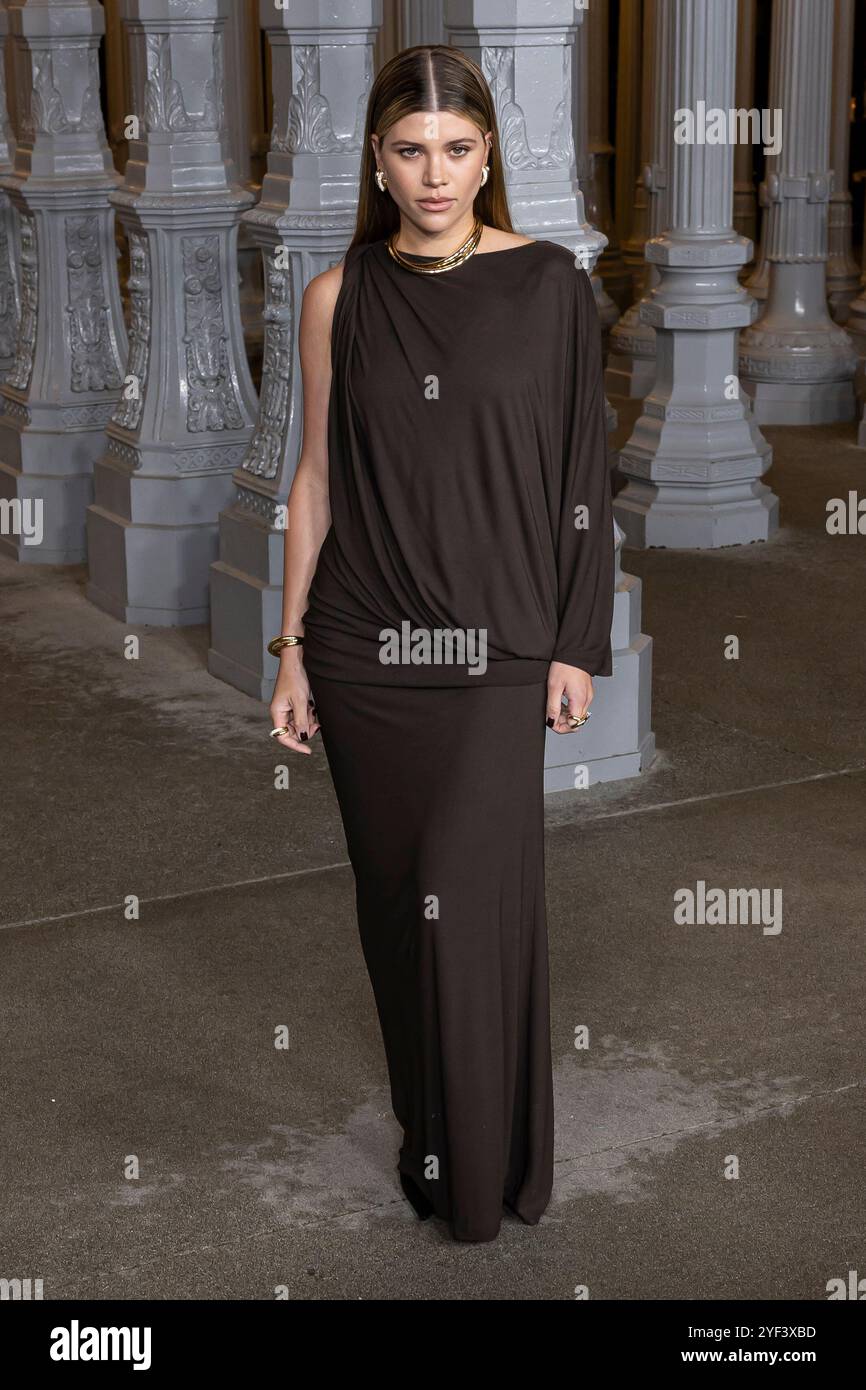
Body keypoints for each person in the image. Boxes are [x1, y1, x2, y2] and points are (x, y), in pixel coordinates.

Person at [267, 44, 615, 1243]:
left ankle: (486, 1173)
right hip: (366, 648)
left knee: (466, 907)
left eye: (457, 150)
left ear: (486, 157)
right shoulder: (337, 296)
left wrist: (576, 641)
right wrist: (291, 646)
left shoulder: (550, 287)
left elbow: (582, 478)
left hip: (495, 651)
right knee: (395, 908)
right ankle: (435, 1139)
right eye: (410, 151)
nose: (434, 174)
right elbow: (313, 478)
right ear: (374, 158)